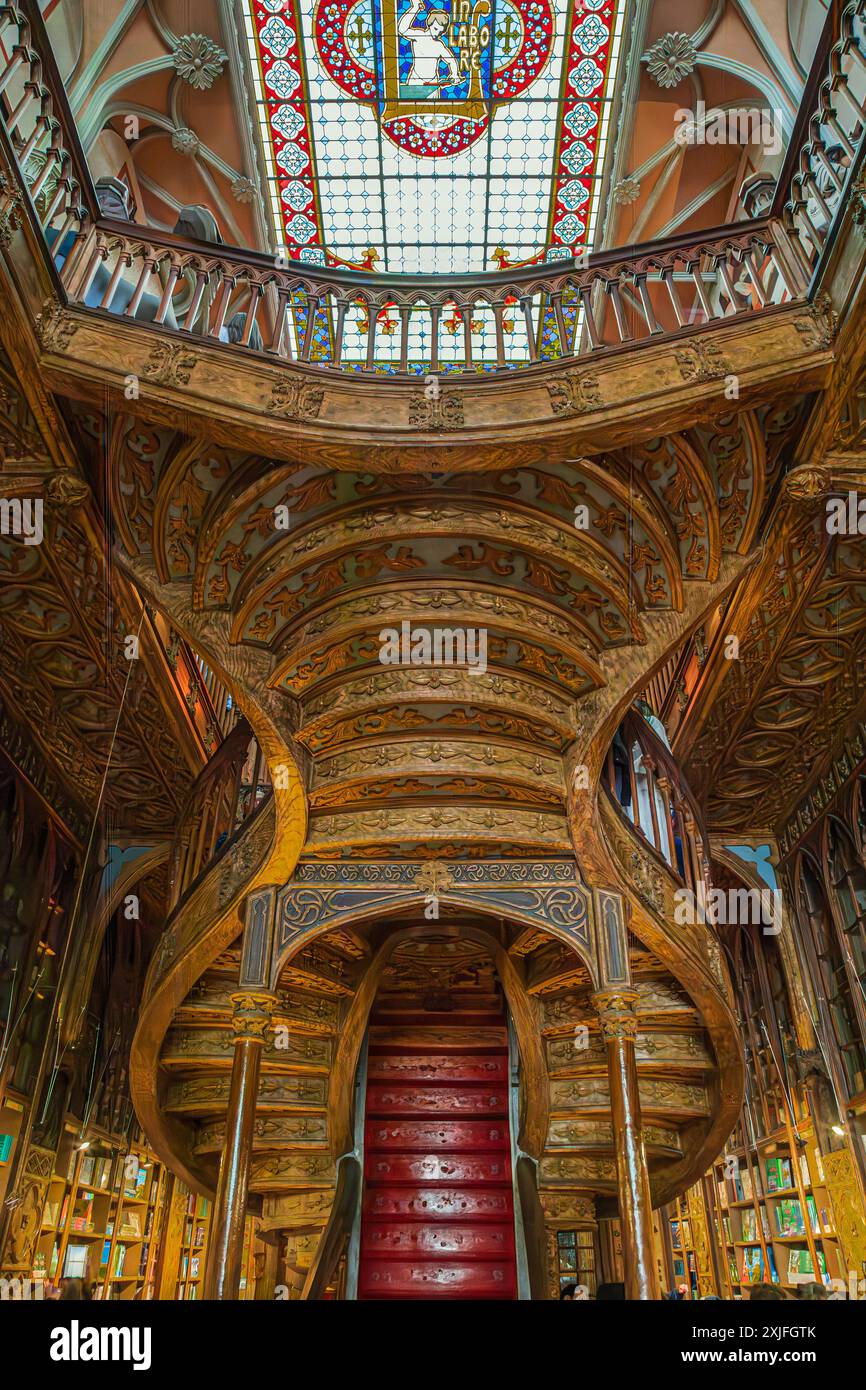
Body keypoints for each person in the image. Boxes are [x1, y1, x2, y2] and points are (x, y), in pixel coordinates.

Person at [398, 0, 458, 98]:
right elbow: (402, 29)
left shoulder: (439, 45)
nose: (436, 34)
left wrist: (454, 74)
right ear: (429, 24)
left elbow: (451, 60)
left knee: (433, 112)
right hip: (415, 80)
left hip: (433, 84)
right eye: (435, 29)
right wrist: (415, 8)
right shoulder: (419, 36)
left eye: (440, 32)